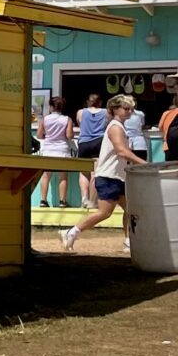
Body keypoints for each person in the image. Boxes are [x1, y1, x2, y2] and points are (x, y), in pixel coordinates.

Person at [62, 94, 147, 254]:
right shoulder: (115, 127)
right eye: (126, 108)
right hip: (109, 176)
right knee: (104, 212)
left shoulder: (119, 126)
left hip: (118, 176)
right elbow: (122, 151)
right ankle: (72, 231)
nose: (129, 112)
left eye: (131, 109)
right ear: (115, 109)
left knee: (131, 209)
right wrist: (144, 164)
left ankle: (129, 241)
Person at [36, 95, 78, 208]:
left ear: (51, 107)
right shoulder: (67, 119)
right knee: (63, 176)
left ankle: (43, 201)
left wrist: (48, 136)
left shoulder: (45, 119)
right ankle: (62, 201)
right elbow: (69, 135)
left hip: (48, 149)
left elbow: (39, 135)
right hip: (62, 150)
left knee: (46, 176)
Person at [77, 91, 109, 160]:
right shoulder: (106, 112)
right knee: (97, 166)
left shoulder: (80, 112)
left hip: (84, 142)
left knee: (83, 168)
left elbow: (80, 124)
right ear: (100, 102)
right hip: (99, 142)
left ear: (88, 102)